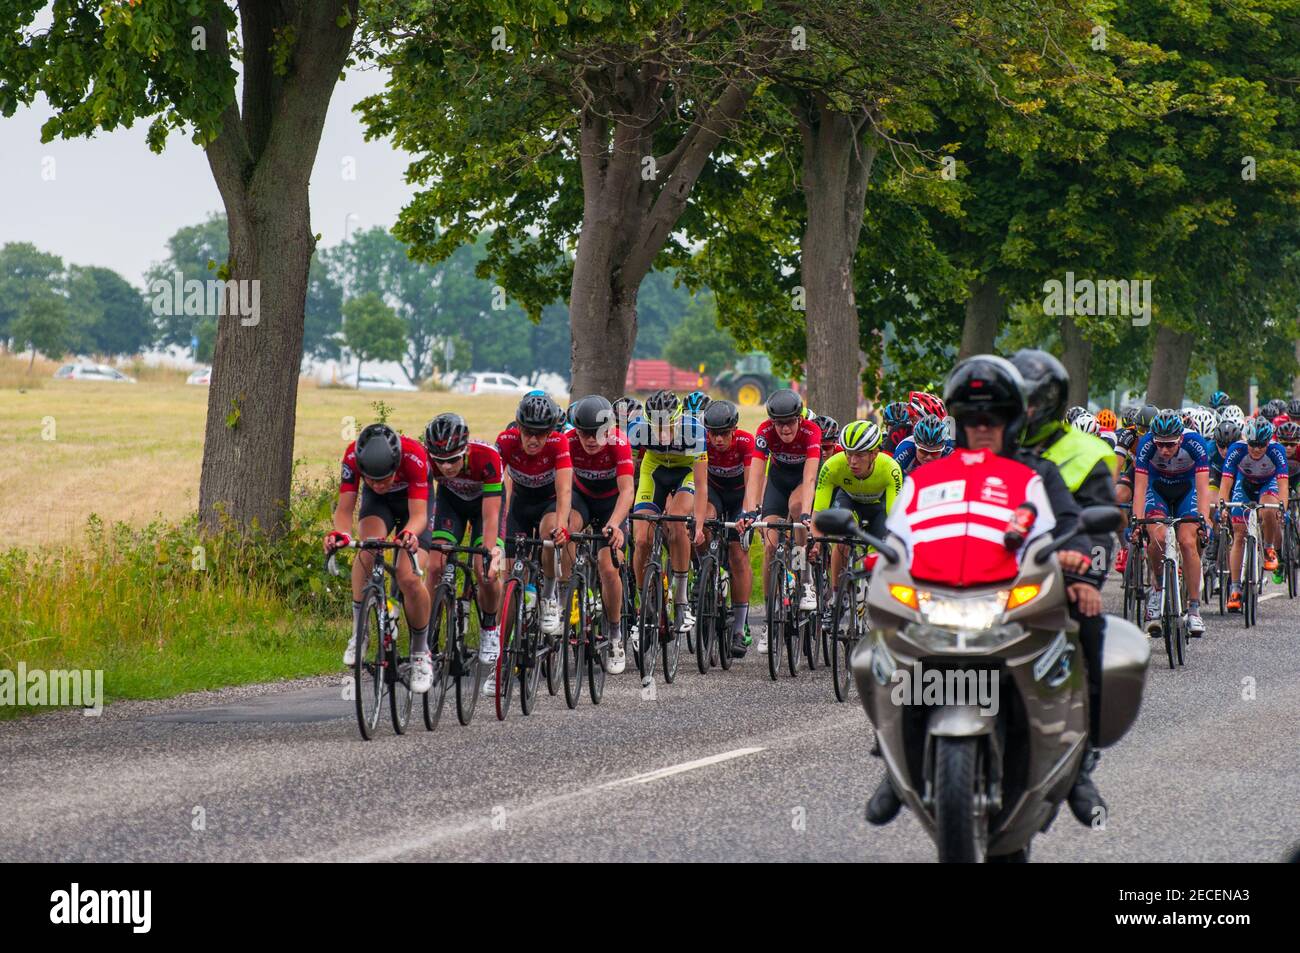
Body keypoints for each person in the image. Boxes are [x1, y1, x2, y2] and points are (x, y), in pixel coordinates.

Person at [865, 355, 1091, 826]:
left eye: (992, 420)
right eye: (971, 421)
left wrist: (1079, 566)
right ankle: (891, 762)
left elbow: (1070, 524)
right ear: (959, 426)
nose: (982, 429)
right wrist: (883, 561)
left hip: (1013, 602)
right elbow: (898, 536)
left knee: (1088, 631)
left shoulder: (1036, 475)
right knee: (874, 649)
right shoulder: (927, 479)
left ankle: (1079, 765)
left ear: (1011, 423)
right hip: (939, 600)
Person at [1010, 348, 1119, 826]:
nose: (1022, 412)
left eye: (1030, 402)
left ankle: (1081, 762)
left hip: (1057, 575)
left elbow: (1099, 529)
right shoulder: (988, 443)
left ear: (1049, 403)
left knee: (1088, 630)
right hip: (986, 574)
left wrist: (1083, 579)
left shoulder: (1089, 452)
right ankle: (897, 749)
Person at [326, 423, 435, 692]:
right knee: (367, 550)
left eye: (384, 478)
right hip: (378, 506)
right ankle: (358, 633)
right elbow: (345, 508)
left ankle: (421, 653)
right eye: (371, 479)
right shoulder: (353, 456)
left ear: (396, 464)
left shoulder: (414, 456)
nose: (378, 484)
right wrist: (340, 533)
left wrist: (409, 533)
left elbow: (419, 515)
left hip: (414, 507)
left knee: (408, 576)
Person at [423, 413, 506, 692]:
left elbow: (492, 516)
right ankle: (427, 631)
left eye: (453, 459)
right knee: (434, 565)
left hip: (486, 506)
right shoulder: (428, 461)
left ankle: (490, 628)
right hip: (451, 505)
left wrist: (490, 551)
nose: (446, 466)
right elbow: (422, 504)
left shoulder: (487, 457)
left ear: (466, 449)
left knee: (485, 571)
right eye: (440, 461)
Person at [626, 390, 709, 644]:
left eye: (669, 425)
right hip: (655, 471)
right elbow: (628, 474)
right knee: (641, 539)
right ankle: (644, 607)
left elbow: (702, 485)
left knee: (676, 521)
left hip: (685, 473)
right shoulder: (636, 428)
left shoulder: (694, 430)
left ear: (679, 418)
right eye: (657, 426)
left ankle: (682, 602)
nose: (663, 432)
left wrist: (700, 524)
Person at [748, 388, 823, 653]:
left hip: (803, 480)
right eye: (779, 424)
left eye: (790, 422)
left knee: (796, 507)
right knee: (770, 543)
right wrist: (749, 511)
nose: (785, 429)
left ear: (799, 419)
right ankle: (770, 620)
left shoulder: (811, 431)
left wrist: (806, 514)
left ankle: (805, 581)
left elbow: (811, 476)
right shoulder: (764, 431)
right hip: (778, 481)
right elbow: (756, 474)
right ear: (772, 422)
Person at [566, 395, 636, 673]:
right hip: (581, 500)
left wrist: (616, 524)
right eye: (584, 433)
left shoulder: (619, 443)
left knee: (609, 568)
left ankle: (616, 636)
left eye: (597, 433)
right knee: (568, 530)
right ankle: (570, 589)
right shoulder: (568, 442)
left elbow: (627, 490)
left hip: (612, 504)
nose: (591, 439)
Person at [497, 392, 573, 640]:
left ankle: (549, 597)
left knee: (549, 537)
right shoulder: (506, 441)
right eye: (528, 431)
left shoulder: (558, 442)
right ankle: (500, 657)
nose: (532, 439)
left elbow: (564, 490)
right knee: (508, 581)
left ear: (550, 431)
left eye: (540, 433)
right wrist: (499, 526)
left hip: (548, 504)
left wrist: (562, 526)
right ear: (518, 426)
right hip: (520, 505)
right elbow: (499, 487)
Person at [809, 420, 902, 621]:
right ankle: (836, 600)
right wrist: (816, 541)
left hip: (879, 508)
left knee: (880, 550)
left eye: (859, 455)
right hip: (850, 502)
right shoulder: (833, 465)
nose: (852, 461)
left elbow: (894, 518)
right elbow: (819, 512)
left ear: (874, 454)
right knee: (840, 539)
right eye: (848, 453)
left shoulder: (891, 468)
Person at [1131, 408, 1210, 634]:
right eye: (1160, 444)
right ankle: (1157, 590)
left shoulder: (1195, 443)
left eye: (1170, 444)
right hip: (1158, 490)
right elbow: (1140, 487)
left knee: (1187, 540)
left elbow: (1203, 488)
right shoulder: (1146, 445)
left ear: (1181, 439)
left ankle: (1194, 609)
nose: (1164, 450)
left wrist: (1204, 521)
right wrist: (1137, 522)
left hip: (1187, 491)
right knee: (1157, 537)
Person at [701, 399, 760, 657]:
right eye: (713, 433)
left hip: (739, 498)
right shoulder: (701, 442)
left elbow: (751, 484)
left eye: (723, 433)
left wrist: (747, 515)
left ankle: (739, 628)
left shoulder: (747, 443)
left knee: (738, 555)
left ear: (733, 429)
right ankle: (705, 569)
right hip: (713, 493)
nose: (718, 440)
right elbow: (700, 486)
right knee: (702, 521)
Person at [1219, 417, 1289, 604]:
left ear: (1268, 442)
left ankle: (1268, 548)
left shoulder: (1277, 450)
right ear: (1246, 440)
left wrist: (1281, 508)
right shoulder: (1237, 449)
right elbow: (1226, 483)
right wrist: (1223, 506)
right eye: (1253, 444)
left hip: (1268, 483)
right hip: (1245, 484)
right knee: (1239, 535)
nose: (1257, 449)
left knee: (1269, 509)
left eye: (1261, 445)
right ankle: (1234, 588)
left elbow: (1283, 486)